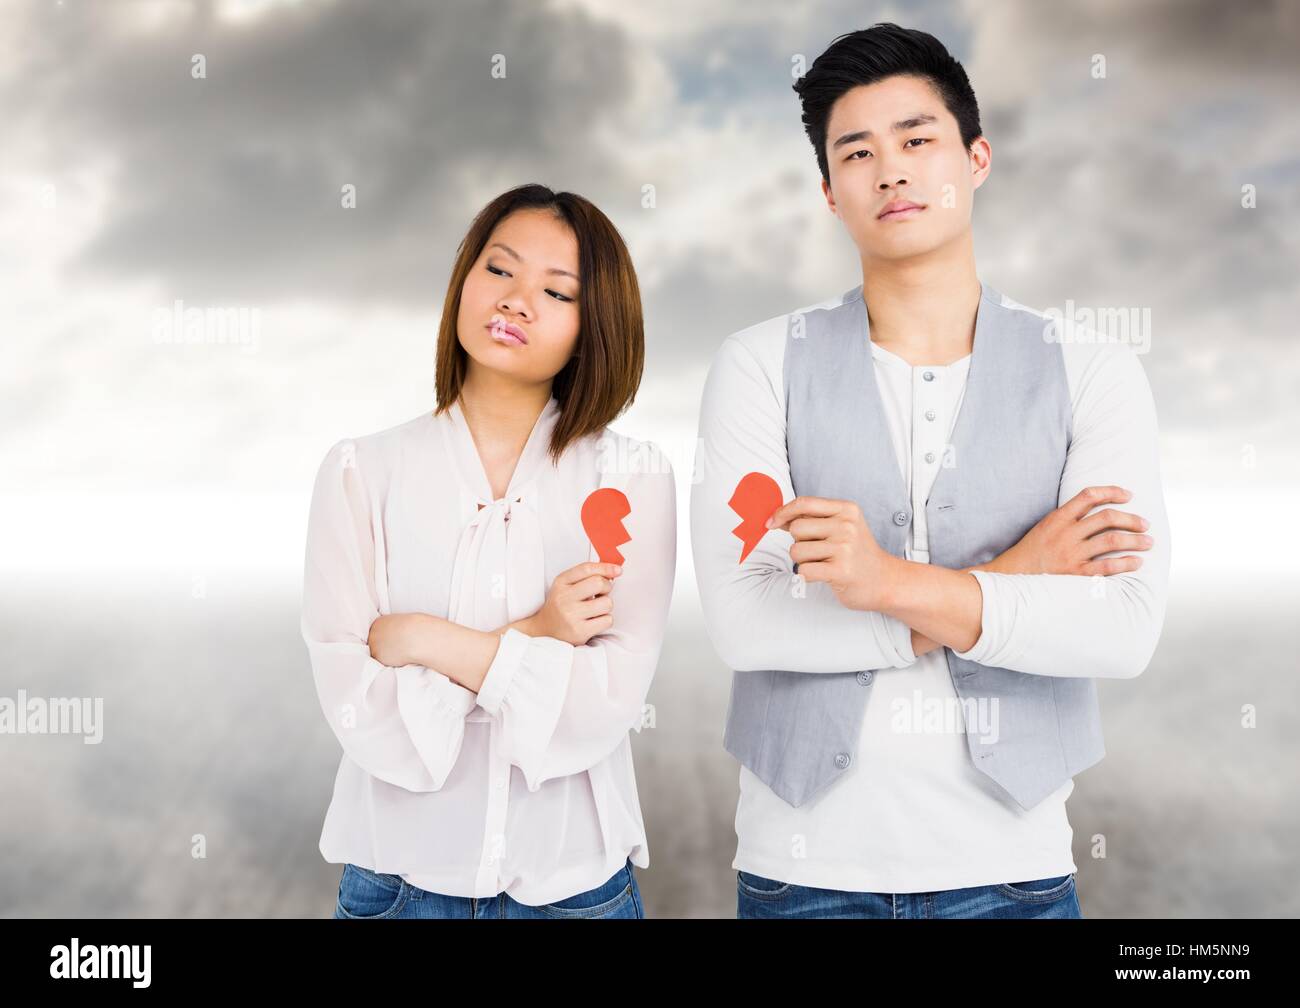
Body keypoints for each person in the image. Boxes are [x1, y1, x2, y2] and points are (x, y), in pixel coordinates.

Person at [690, 23, 1170, 919]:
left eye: (918, 140)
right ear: (830, 193)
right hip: (805, 874)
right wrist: (1017, 574)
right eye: (858, 152)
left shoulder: (1093, 369)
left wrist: (882, 585)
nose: (893, 171)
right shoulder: (759, 365)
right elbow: (747, 622)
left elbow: (1123, 629)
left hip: (1014, 872)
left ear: (976, 157)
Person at [301, 184, 675, 918]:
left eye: (556, 291)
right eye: (499, 270)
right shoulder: (358, 471)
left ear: (594, 324)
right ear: (465, 279)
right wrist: (534, 635)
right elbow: (359, 707)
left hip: (576, 892)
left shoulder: (631, 477)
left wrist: (420, 640)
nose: (516, 300)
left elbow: (601, 705)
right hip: (396, 891)